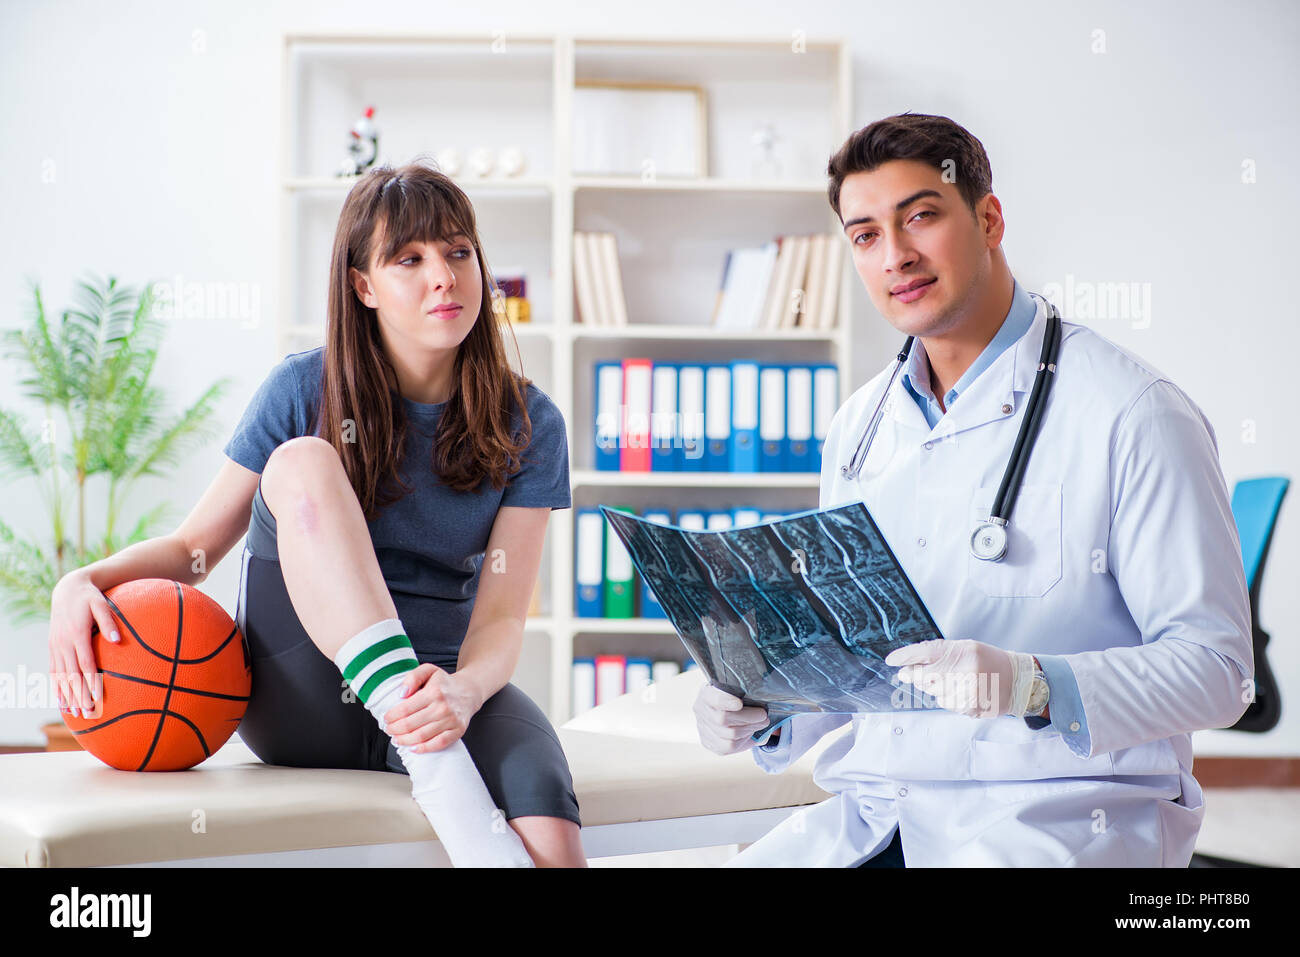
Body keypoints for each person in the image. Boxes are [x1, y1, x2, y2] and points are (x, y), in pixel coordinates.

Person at [693, 113, 1254, 867]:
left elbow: (1220, 672)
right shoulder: (860, 427)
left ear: (988, 218)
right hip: (880, 809)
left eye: (920, 216)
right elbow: (859, 665)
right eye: (864, 235)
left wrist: (1033, 683)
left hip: (1058, 813)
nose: (896, 255)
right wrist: (767, 709)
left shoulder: (1134, 412)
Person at [47, 161, 584, 868]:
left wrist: (462, 690)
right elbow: (195, 551)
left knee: (552, 835)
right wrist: (80, 580)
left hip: (439, 686)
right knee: (303, 460)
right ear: (363, 286)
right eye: (409, 259)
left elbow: (502, 617)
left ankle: (425, 735)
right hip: (303, 693)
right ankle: (437, 769)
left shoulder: (529, 421)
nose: (444, 277)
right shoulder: (302, 387)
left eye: (459, 252)